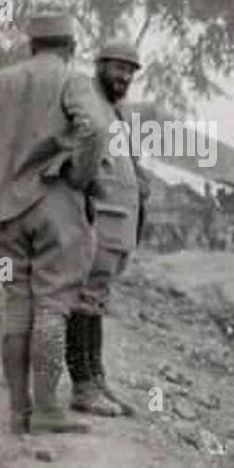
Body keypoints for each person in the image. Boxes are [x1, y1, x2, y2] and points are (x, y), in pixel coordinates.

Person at [0, 11, 101, 434]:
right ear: (70, 47)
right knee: (53, 304)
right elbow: (92, 129)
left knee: (17, 303)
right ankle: (47, 410)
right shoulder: (71, 80)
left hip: (2, 215)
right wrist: (79, 174)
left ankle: (18, 411)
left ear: (31, 45)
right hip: (55, 206)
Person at [65, 40, 145, 417]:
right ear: (100, 66)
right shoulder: (87, 102)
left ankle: (97, 379)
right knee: (83, 300)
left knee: (96, 302)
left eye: (130, 71)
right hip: (98, 217)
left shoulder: (115, 113)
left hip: (118, 222)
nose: (124, 76)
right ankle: (82, 386)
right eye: (118, 68)